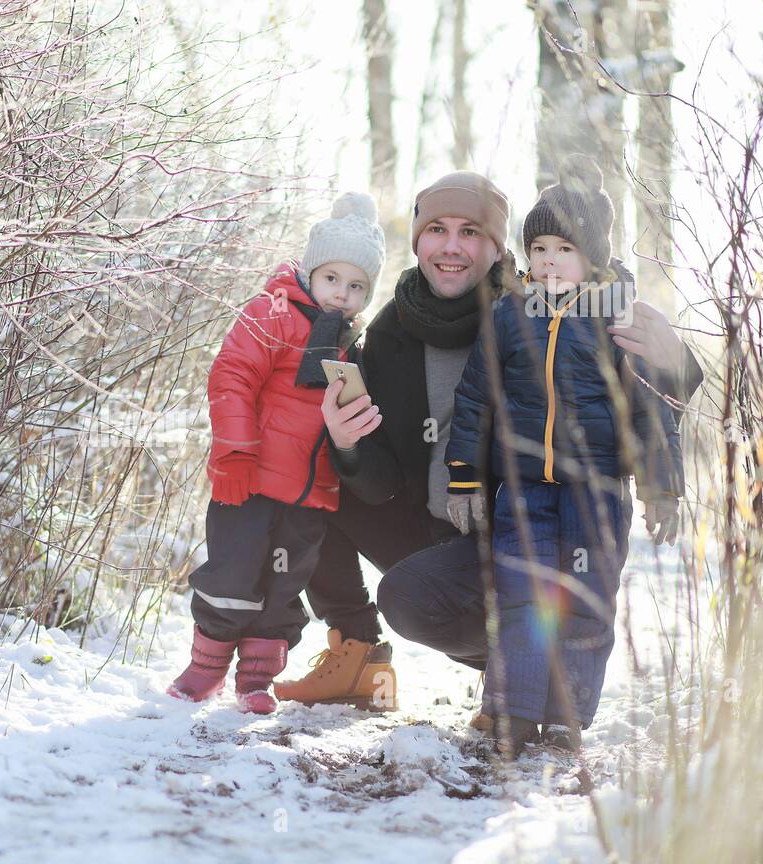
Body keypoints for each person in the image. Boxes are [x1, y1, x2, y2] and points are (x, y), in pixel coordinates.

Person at [274, 170, 703, 714]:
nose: (451, 246)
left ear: (498, 247)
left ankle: (532, 675)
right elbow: (379, 481)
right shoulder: (389, 331)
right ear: (417, 240)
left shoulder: (547, 307)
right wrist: (348, 443)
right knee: (313, 476)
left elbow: (649, 393)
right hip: (441, 523)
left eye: (470, 232)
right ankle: (357, 650)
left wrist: (674, 360)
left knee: (545, 583)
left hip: (524, 521)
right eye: (436, 229)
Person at [443, 156, 683, 758]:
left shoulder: (616, 320)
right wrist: (465, 478)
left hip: (595, 492)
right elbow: (476, 398)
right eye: (539, 247)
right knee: (523, 598)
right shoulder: (509, 315)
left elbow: (653, 408)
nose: (548, 260)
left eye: (564, 249)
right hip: (524, 490)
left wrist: (661, 487)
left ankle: (566, 715)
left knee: (584, 601)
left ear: (593, 257)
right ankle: (514, 712)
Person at [168, 192, 386, 714]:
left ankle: (258, 678)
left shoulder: (351, 344)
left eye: (357, 286)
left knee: (283, 586)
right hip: (250, 481)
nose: (341, 294)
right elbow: (232, 376)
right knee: (232, 573)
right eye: (332, 278)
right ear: (311, 270)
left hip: (309, 496)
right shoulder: (274, 314)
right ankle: (205, 668)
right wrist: (236, 452)